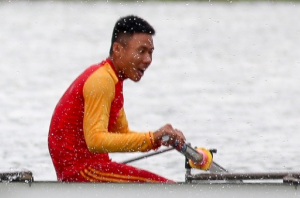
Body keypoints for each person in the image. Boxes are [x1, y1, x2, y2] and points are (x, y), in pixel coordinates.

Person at [48, 15, 202, 183]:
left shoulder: (114, 81)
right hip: (81, 170)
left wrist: (156, 139)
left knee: (166, 187)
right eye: (141, 51)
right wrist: (152, 137)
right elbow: (96, 141)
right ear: (118, 49)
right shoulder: (102, 80)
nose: (148, 60)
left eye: (150, 53)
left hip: (95, 167)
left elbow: (122, 135)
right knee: (166, 188)